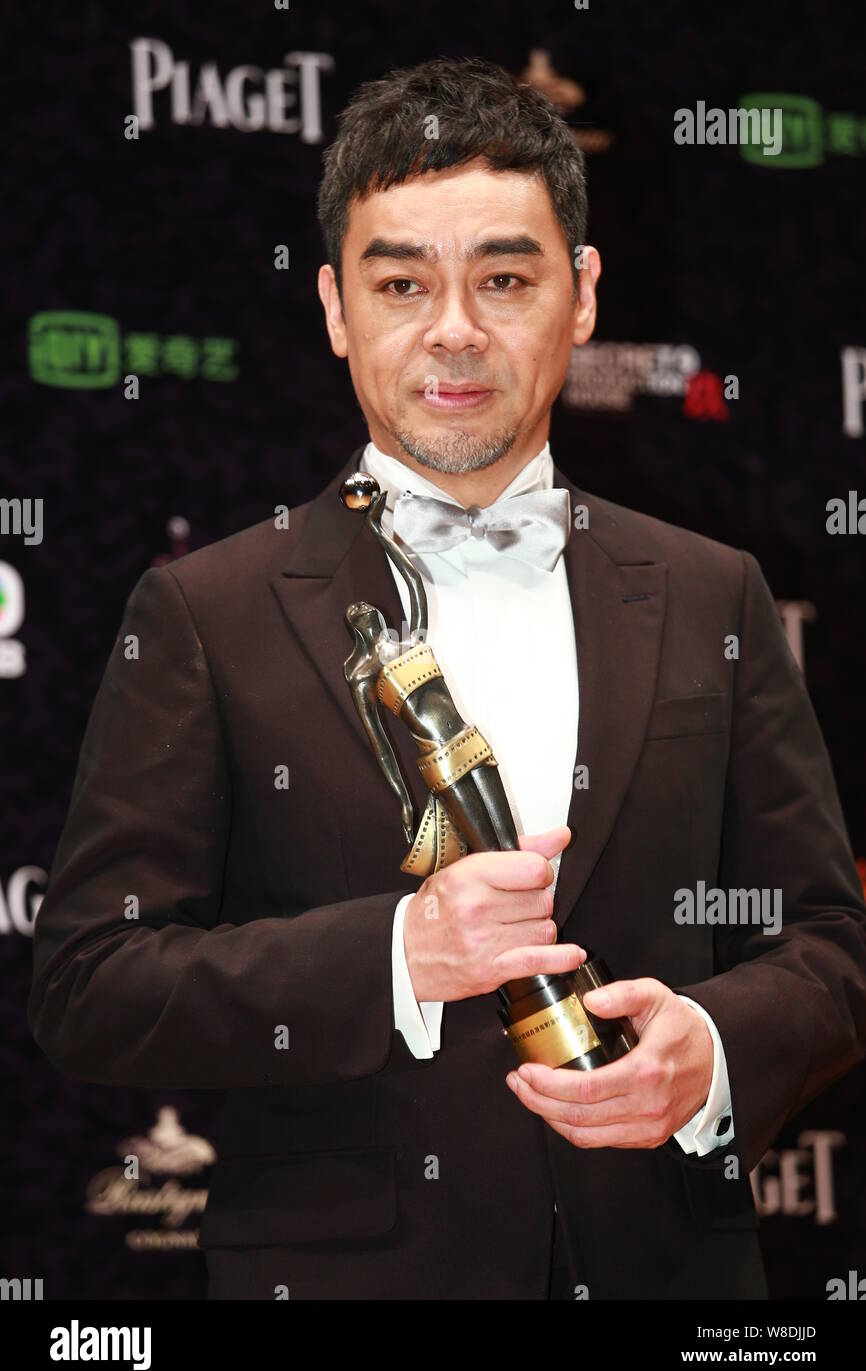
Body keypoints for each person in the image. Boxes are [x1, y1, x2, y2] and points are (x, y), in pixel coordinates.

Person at [28, 56, 866, 1300]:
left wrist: (711, 1049)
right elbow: (92, 985)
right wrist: (397, 955)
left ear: (580, 296)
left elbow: (827, 945)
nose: (455, 328)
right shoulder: (205, 613)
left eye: (505, 277)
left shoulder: (714, 593)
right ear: (332, 308)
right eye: (401, 281)